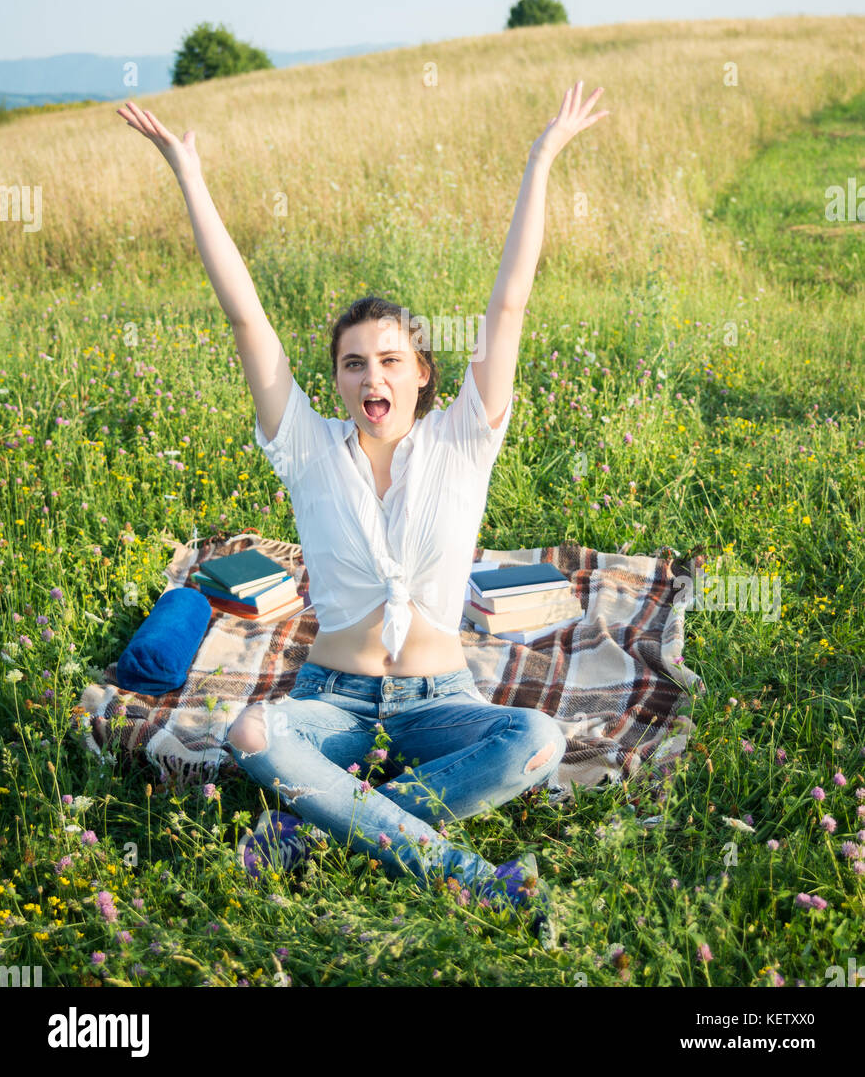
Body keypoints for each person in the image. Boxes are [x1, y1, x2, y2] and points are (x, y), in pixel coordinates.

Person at [116, 77, 610, 941]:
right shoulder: (307, 449)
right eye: (352, 363)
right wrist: (187, 173)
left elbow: (509, 303)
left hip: (438, 699)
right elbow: (246, 318)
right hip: (331, 701)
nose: (371, 377)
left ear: (423, 373)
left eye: (389, 360)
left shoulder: (463, 442)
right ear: (337, 379)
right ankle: (464, 877)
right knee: (252, 735)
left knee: (536, 737)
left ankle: (319, 826)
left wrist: (543, 158)